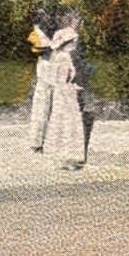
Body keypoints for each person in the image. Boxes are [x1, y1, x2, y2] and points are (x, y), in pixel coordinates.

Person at [43, 20, 88, 171]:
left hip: (62, 94)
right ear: (67, 43)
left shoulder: (59, 57)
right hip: (65, 96)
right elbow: (61, 81)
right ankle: (65, 158)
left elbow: (58, 80)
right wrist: (71, 88)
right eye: (73, 41)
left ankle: (63, 158)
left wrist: (72, 85)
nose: (75, 44)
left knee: (62, 122)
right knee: (66, 123)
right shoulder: (63, 58)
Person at [26, 14, 55, 153]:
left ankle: (44, 144)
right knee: (41, 108)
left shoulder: (52, 33)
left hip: (55, 73)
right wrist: (53, 47)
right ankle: (36, 144)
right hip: (46, 73)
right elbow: (37, 49)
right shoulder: (37, 32)